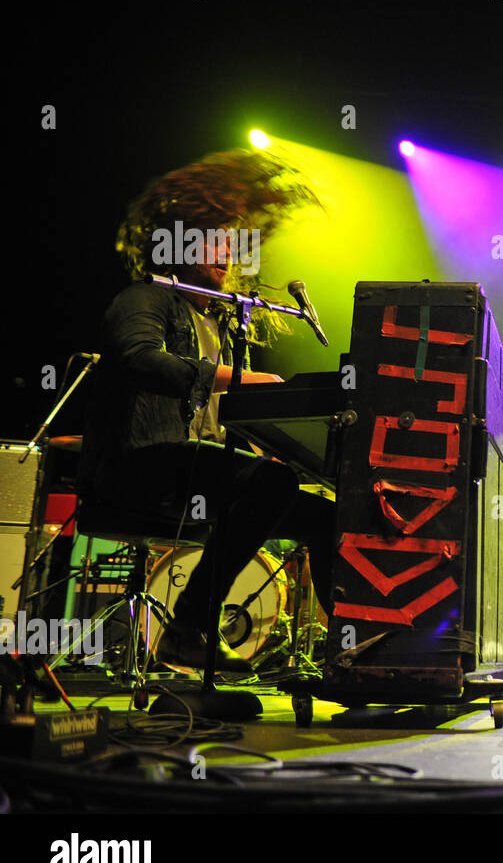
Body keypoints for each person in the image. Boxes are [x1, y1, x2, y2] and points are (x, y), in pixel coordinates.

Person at [78, 149, 333, 672]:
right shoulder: (145, 297)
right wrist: (241, 381)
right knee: (269, 486)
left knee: (326, 517)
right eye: (211, 238)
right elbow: (139, 359)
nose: (227, 250)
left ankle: (352, 649)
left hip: (191, 471)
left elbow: (226, 423)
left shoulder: (220, 325)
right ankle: (188, 628)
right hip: (133, 470)